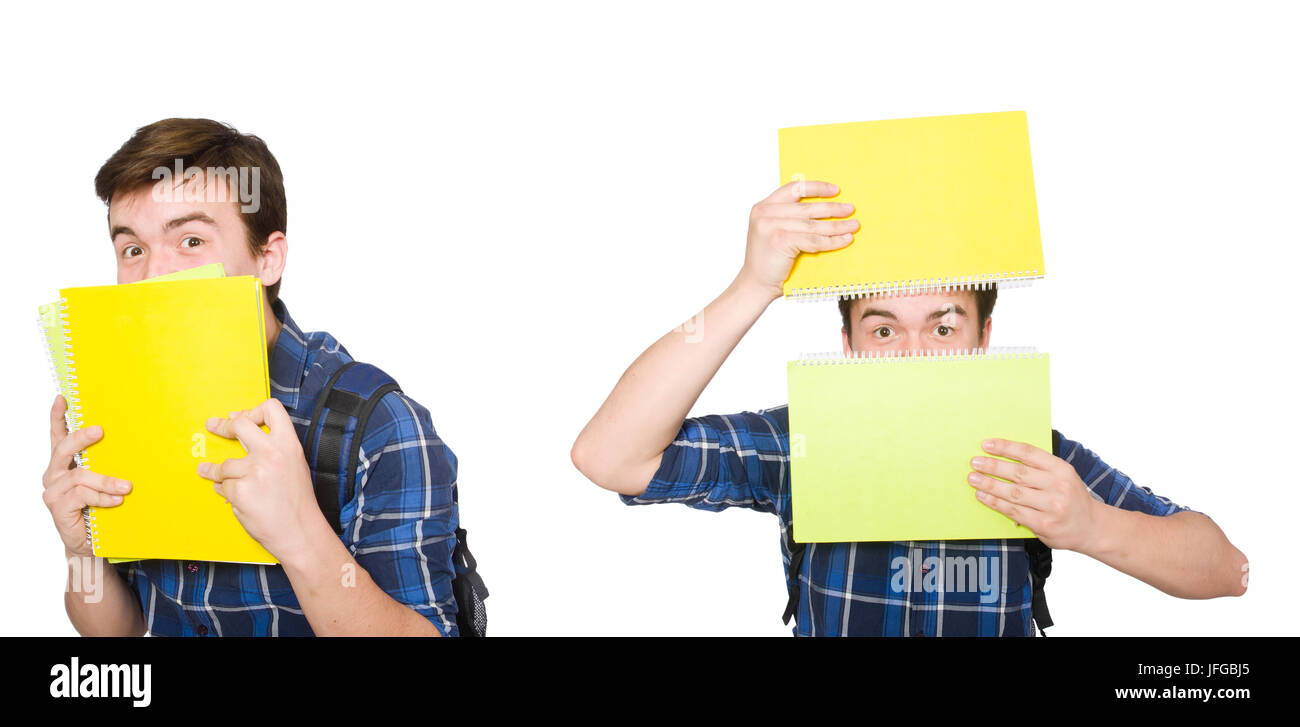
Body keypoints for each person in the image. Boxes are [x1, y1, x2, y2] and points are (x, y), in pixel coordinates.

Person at [571, 179, 1249, 636]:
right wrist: (752, 285)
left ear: (986, 337)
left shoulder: (1035, 456)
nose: (915, 352)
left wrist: (1094, 524)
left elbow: (1228, 568)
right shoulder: (801, 439)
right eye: (885, 328)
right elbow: (609, 454)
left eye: (945, 327)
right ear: (850, 343)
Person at [43, 118, 460, 636]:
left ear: (268, 257)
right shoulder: (118, 403)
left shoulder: (379, 427)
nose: (152, 277)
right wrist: (81, 551)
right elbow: (116, 633)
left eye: (191, 241)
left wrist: (300, 532)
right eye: (133, 250)